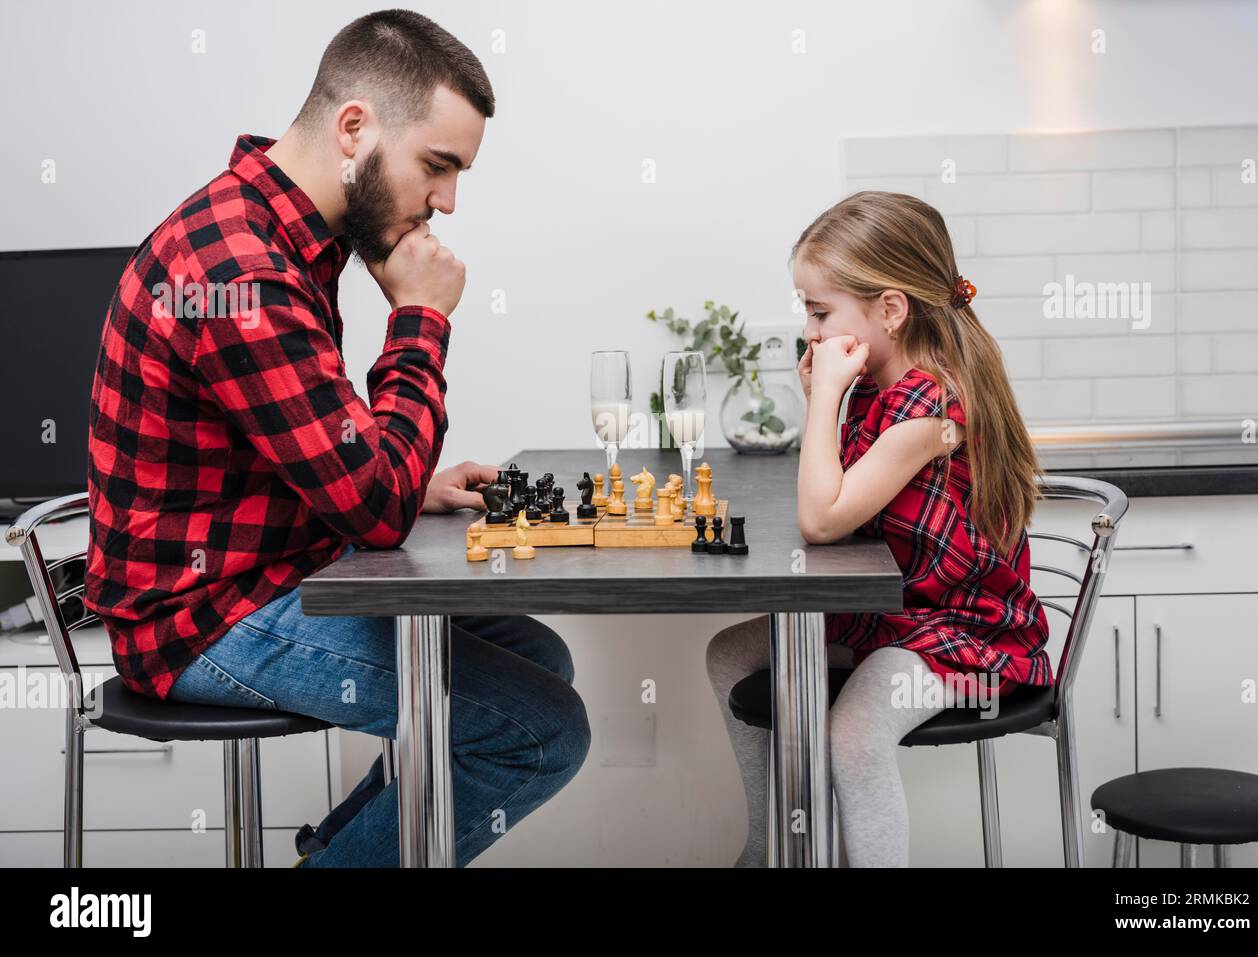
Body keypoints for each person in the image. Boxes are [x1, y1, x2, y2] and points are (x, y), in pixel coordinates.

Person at [83, 9, 589, 867]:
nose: (448, 201)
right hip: (203, 620)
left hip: (266, 571)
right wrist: (422, 318)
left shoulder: (287, 234)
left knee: (538, 654)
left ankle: (339, 852)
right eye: (439, 165)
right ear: (354, 127)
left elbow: (321, 447)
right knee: (540, 731)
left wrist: (403, 479)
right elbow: (376, 514)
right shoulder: (237, 269)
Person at [705, 191, 1052, 867]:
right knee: (730, 653)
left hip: (963, 632)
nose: (808, 328)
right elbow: (832, 509)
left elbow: (821, 518)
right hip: (897, 615)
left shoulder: (929, 406)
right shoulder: (878, 383)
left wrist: (823, 398)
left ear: (890, 309)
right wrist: (826, 398)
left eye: (819, 310)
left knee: (853, 733)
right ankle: (771, 845)